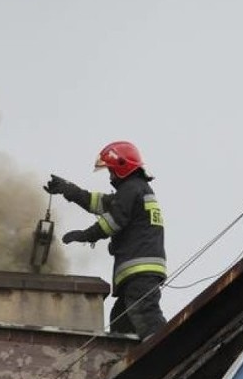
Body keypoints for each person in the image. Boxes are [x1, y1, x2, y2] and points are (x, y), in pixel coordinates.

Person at [45, 141, 167, 340]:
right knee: (120, 322)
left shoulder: (132, 189)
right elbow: (100, 203)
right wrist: (68, 189)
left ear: (122, 167)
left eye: (111, 171)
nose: (110, 176)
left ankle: (165, 347)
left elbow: (113, 221)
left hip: (139, 268)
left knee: (146, 313)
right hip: (140, 269)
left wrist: (85, 235)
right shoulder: (136, 190)